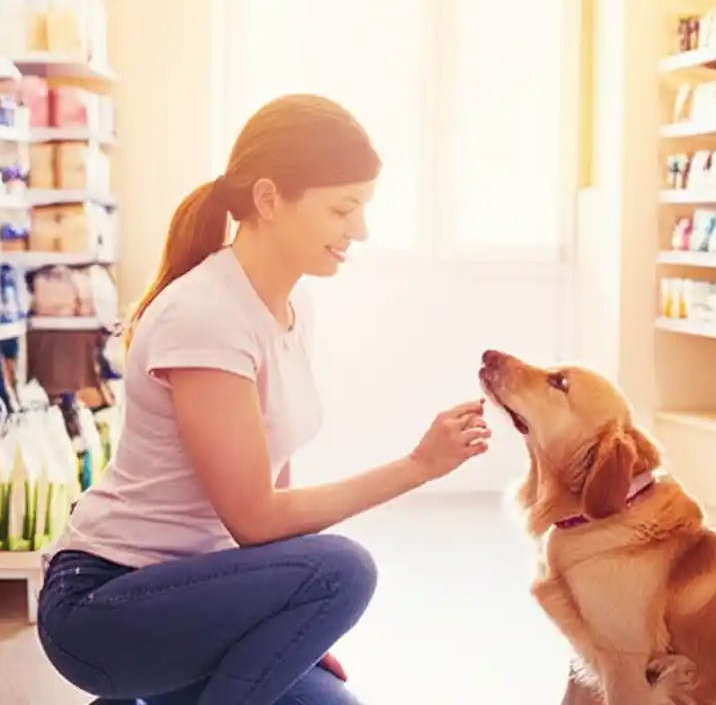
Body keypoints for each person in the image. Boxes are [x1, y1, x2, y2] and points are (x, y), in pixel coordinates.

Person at [36, 94, 491, 705]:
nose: (360, 230)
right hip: (106, 608)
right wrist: (417, 467)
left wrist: (290, 621)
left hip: (195, 596)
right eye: (342, 209)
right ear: (270, 200)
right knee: (345, 569)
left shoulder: (292, 305)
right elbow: (254, 516)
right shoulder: (206, 316)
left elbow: (269, 500)